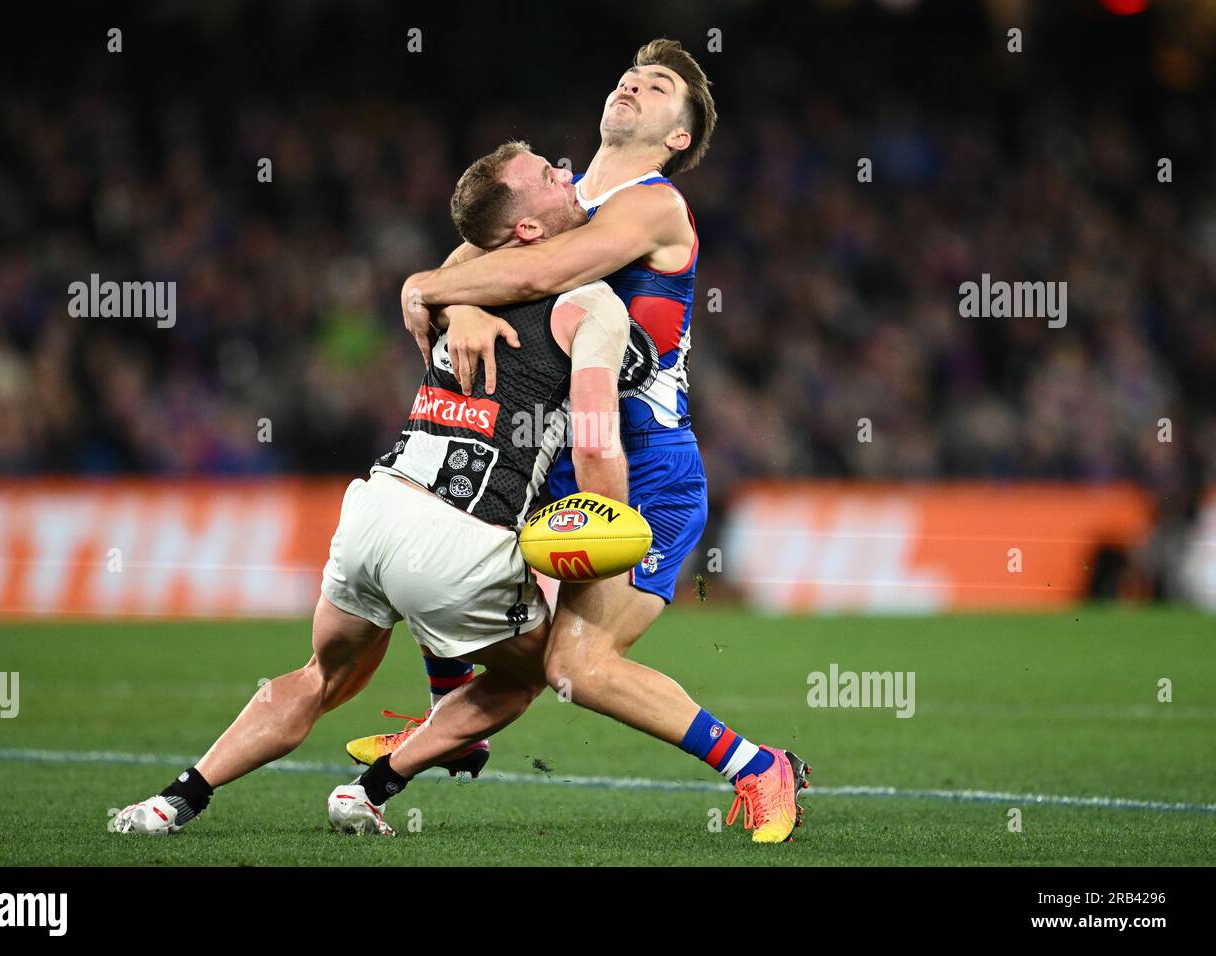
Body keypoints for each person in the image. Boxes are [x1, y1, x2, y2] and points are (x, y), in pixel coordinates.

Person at [352, 39, 808, 844]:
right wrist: (450, 300)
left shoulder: (655, 205)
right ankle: (440, 734)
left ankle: (756, 767)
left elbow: (523, 275)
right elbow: (471, 264)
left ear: (677, 136)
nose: (635, 82)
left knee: (573, 666)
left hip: (643, 473)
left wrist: (428, 288)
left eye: (660, 85)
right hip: (548, 466)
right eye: (632, 73)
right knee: (502, 634)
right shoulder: (558, 194)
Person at [111, 143, 630, 836]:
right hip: (462, 541)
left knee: (319, 676)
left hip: (376, 510)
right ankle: (370, 789)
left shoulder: (454, 288)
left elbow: (427, 283)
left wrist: (441, 297)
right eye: (545, 174)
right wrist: (610, 535)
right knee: (531, 674)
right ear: (528, 231)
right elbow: (595, 439)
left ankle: (174, 800)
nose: (566, 172)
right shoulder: (589, 303)